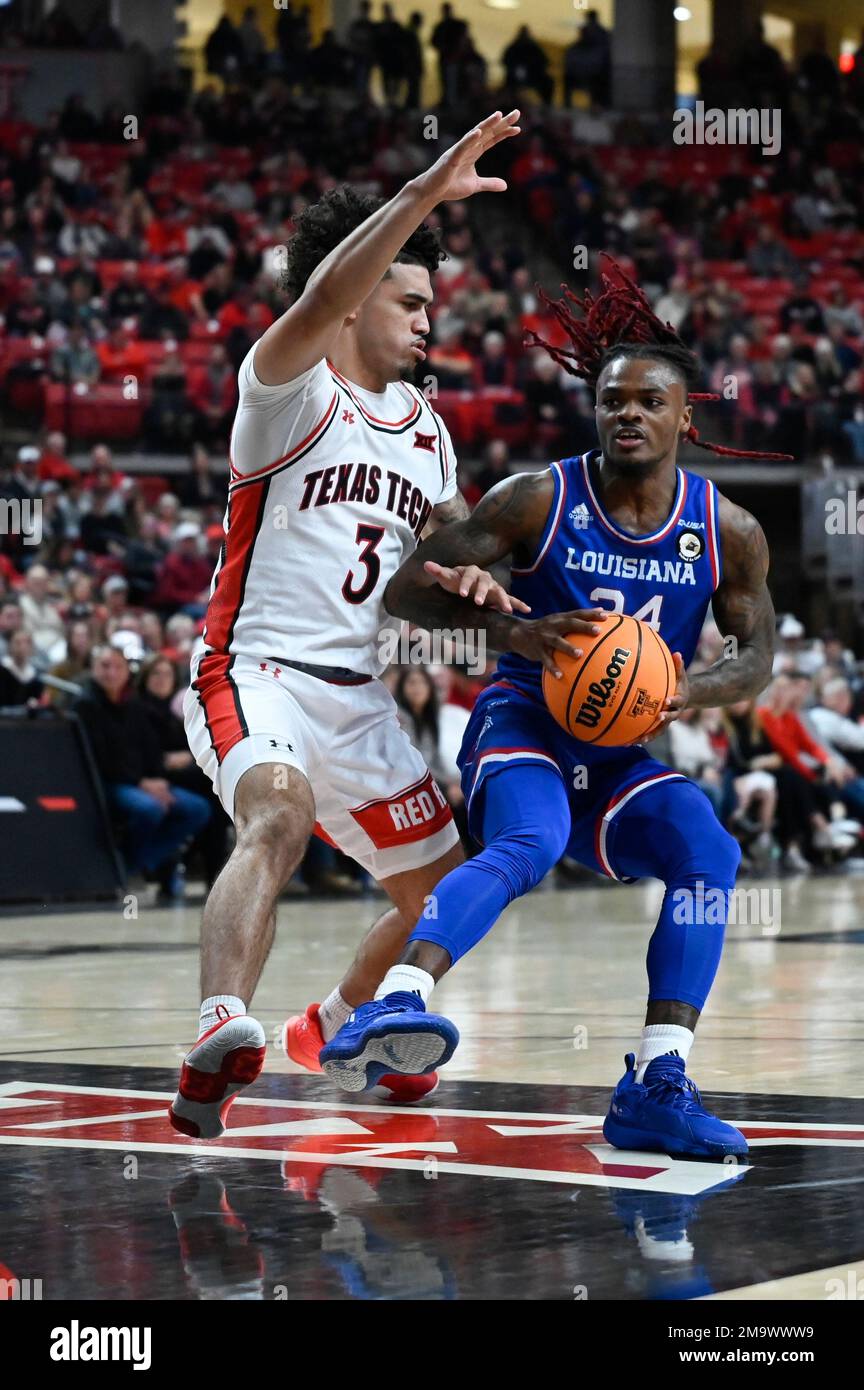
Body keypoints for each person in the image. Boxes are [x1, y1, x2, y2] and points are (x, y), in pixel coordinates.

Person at [314, 258, 794, 1161]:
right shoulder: (540, 497)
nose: (629, 414)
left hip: (620, 756)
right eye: (614, 399)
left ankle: (659, 1081)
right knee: (528, 844)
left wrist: (690, 687)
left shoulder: (728, 530)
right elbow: (408, 593)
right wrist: (521, 637)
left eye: (651, 401)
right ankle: (399, 1003)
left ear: (685, 417)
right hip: (523, 725)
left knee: (710, 852)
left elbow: (758, 654)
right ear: (596, 409)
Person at [169, 111, 527, 1140]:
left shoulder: (426, 430)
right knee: (277, 815)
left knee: (446, 894)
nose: (428, 321)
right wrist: (422, 190)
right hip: (257, 668)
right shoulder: (284, 390)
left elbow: (456, 554)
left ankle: (335, 1025)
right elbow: (322, 288)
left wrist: (485, 588)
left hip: (358, 693)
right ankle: (218, 1026)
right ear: (360, 297)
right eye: (410, 299)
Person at [74, 647, 211, 899]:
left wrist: (158, 779)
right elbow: (99, 758)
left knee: (198, 809)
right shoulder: (86, 705)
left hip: (143, 782)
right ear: (93, 669)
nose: (111, 672)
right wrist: (142, 783)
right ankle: (127, 869)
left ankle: (132, 865)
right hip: (109, 783)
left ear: (127, 671)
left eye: (117, 666)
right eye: (104, 666)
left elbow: (149, 748)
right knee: (150, 809)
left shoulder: (133, 704)